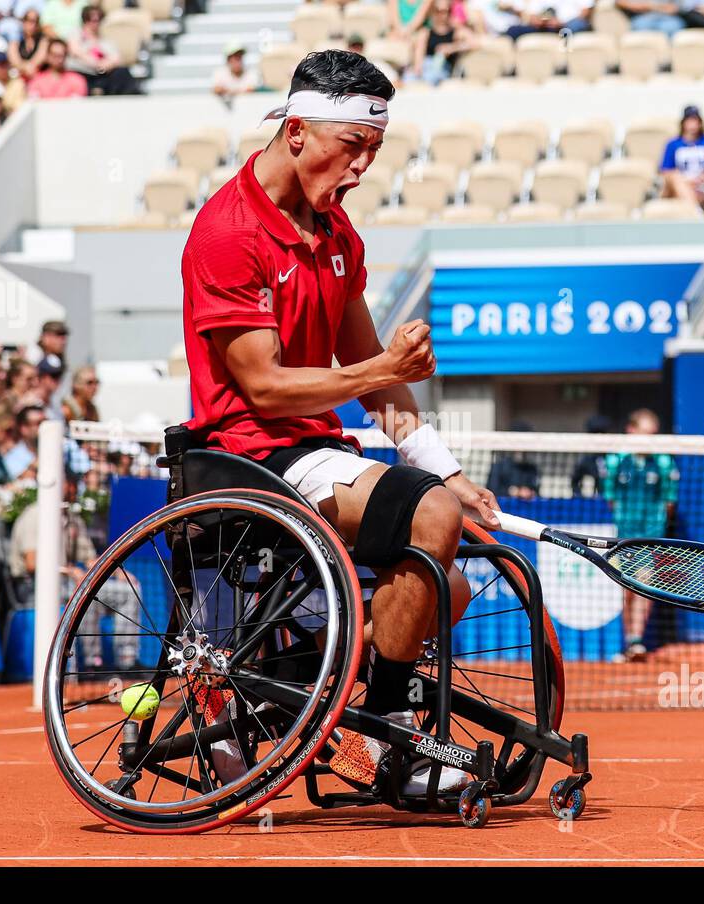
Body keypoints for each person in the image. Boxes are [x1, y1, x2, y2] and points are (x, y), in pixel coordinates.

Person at [179, 49, 498, 795]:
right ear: (296, 133)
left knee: (444, 585)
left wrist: (448, 467)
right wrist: (384, 371)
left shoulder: (337, 234)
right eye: (353, 146)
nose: (362, 168)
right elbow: (263, 389)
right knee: (428, 518)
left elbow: (367, 371)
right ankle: (393, 745)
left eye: (374, 151)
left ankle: (283, 686)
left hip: (315, 450)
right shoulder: (228, 231)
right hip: (249, 454)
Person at [8, 466, 140, 670]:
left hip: (65, 584)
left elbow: (88, 558)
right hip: (32, 586)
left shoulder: (71, 516)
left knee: (129, 592)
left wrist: (118, 572)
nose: (76, 488)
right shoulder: (35, 515)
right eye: (72, 484)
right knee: (86, 593)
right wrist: (68, 570)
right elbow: (32, 564)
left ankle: (127, 661)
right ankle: (92, 663)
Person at [603, 409, 677, 661]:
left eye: (653, 435)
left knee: (645, 582)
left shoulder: (664, 462)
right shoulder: (616, 461)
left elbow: (669, 501)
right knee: (628, 588)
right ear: (631, 431)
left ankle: (636, 641)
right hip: (624, 535)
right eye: (646, 434)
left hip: (651, 535)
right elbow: (611, 498)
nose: (650, 440)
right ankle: (629, 642)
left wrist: (656, 526)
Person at [660, 104, 704, 210]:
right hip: (679, 185)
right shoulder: (673, 144)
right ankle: (696, 211)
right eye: (689, 120)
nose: (692, 124)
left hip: (701, 187)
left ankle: (692, 210)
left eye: (695, 120)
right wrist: (686, 182)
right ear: (683, 123)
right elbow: (666, 172)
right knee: (675, 177)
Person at [67, 5, 137, 95]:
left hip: (103, 74)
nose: (94, 23)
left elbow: (116, 58)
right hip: (83, 72)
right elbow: (75, 51)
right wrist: (96, 63)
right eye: (90, 19)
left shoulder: (105, 40)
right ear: (84, 20)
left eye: (98, 19)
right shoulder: (76, 34)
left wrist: (106, 65)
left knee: (122, 72)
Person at [410, 0, 476, 85]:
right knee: (411, 78)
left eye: (446, 11)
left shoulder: (455, 31)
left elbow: (474, 43)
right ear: (433, 11)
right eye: (438, 11)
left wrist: (452, 48)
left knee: (432, 76)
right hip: (426, 66)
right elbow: (419, 57)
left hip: (443, 69)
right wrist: (417, 69)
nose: (442, 15)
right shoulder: (426, 32)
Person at [505, 0, 592, 38]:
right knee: (513, 30)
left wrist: (561, 22)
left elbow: (585, 12)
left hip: (567, 25)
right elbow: (532, 15)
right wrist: (537, 21)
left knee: (576, 25)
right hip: (544, 26)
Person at [3, 401, 42, 478]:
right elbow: (21, 482)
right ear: (23, 428)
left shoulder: (61, 449)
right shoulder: (13, 457)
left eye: (46, 421)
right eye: (38, 423)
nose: (44, 427)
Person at [616, 0, 684, 36]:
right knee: (640, 27)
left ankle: (668, 59)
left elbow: (675, 7)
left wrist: (658, 7)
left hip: (668, 18)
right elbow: (620, 2)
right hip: (643, 17)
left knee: (672, 27)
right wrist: (644, 6)